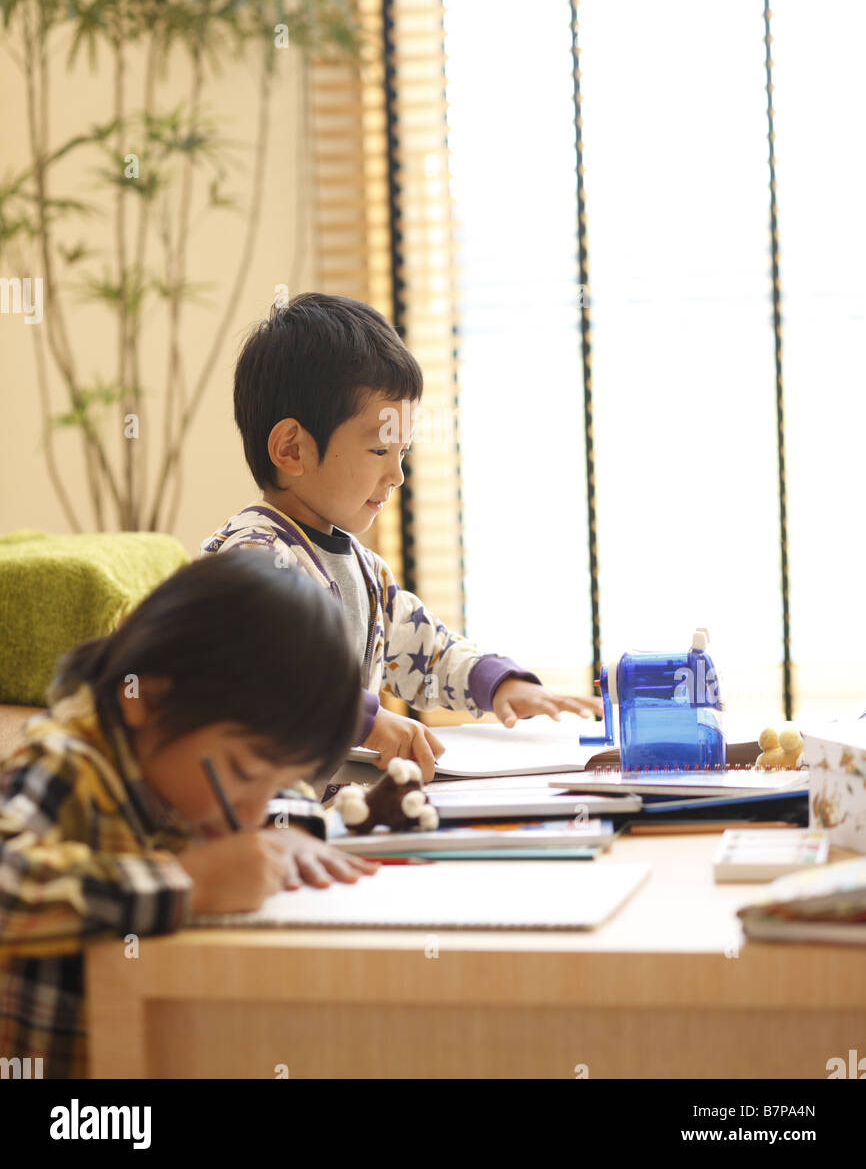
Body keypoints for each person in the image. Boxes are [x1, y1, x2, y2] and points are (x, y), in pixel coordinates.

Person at [0, 550, 377, 1077]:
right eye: (244, 775)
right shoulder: (66, 764)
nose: (249, 814)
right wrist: (186, 881)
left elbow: (283, 784)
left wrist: (285, 825)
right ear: (146, 700)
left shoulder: (192, 762)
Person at [202, 292, 602, 782]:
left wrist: (497, 685)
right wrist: (363, 719)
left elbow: (426, 651)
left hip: (338, 815)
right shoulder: (254, 557)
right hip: (262, 821)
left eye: (403, 452)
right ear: (292, 448)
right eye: (378, 450)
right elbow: (262, 674)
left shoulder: (366, 572)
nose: (397, 474)